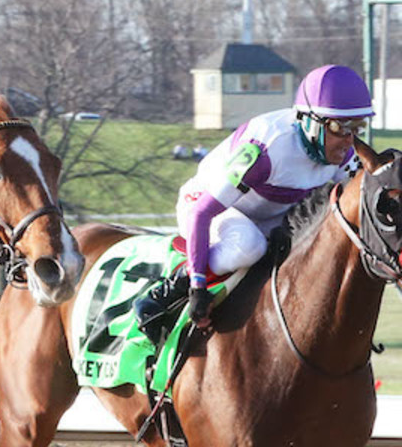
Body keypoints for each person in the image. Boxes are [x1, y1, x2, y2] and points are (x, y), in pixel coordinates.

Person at [135, 64, 373, 338]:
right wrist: (197, 286)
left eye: (357, 127)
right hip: (209, 207)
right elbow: (201, 214)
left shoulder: (343, 153)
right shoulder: (267, 149)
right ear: (309, 121)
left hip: (267, 215)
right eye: (338, 127)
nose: (348, 140)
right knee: (249, 246)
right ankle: (170, 288)